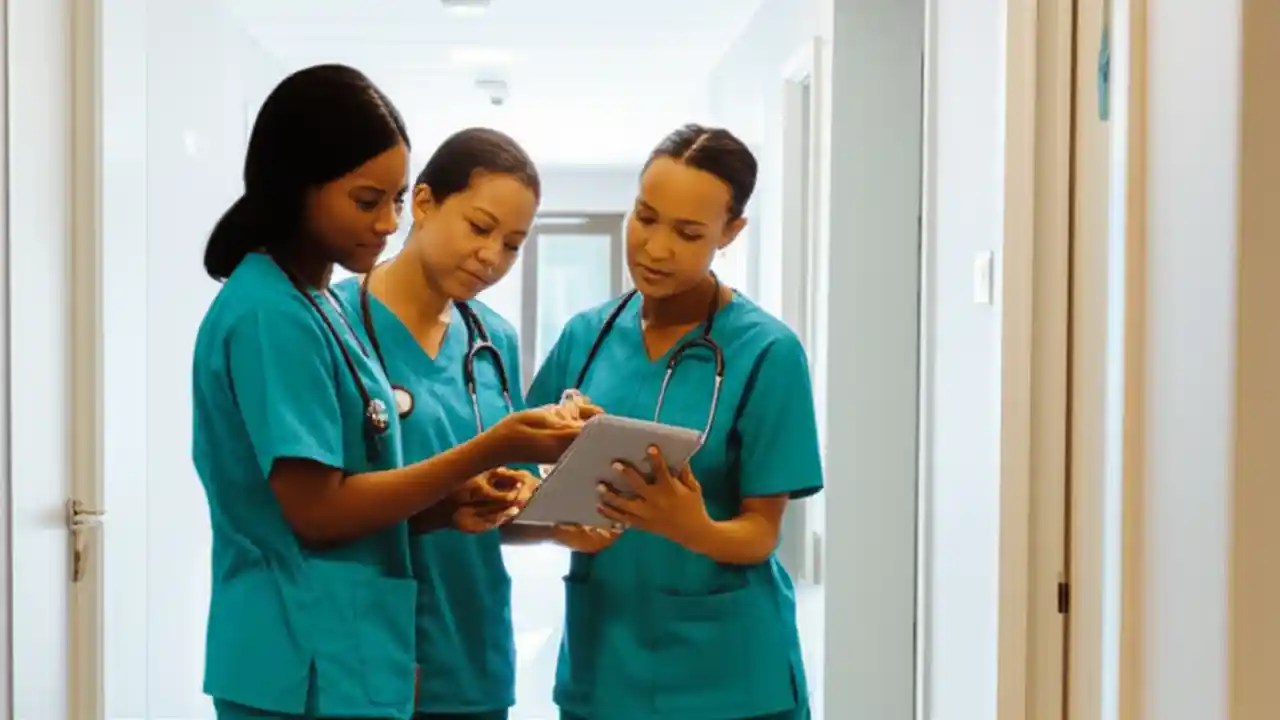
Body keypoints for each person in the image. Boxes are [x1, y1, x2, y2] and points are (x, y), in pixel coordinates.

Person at [191, 66, 580, 720]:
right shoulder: (270, 315)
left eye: (395, 199)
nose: (387, 222)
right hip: (299, 660)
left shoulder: (313, 308)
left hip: (347, 656)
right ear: (297, 187)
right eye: (368, 200)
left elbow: (357, 494)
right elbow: (316, 511)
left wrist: (455, 503)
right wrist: (491, 447)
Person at [525, 124, 824, 720]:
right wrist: (559, 513)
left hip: (730, 678)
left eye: (688, 233)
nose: (655, 247)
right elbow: (524, 479)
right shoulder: (586, 337)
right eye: (645, 217)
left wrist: (689, 525)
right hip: (605, 667)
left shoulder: (767, 351)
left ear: (730, 233)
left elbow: (761, 532)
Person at [333, 126, 583, 720]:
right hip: (365, 654)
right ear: (422, 203)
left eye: (513, 244)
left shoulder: (493, 340)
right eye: (479, 227)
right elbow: (318, 505)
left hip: (473, 661)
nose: (492, 257)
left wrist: (562, 521)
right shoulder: (333, 323)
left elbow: (504, 511)